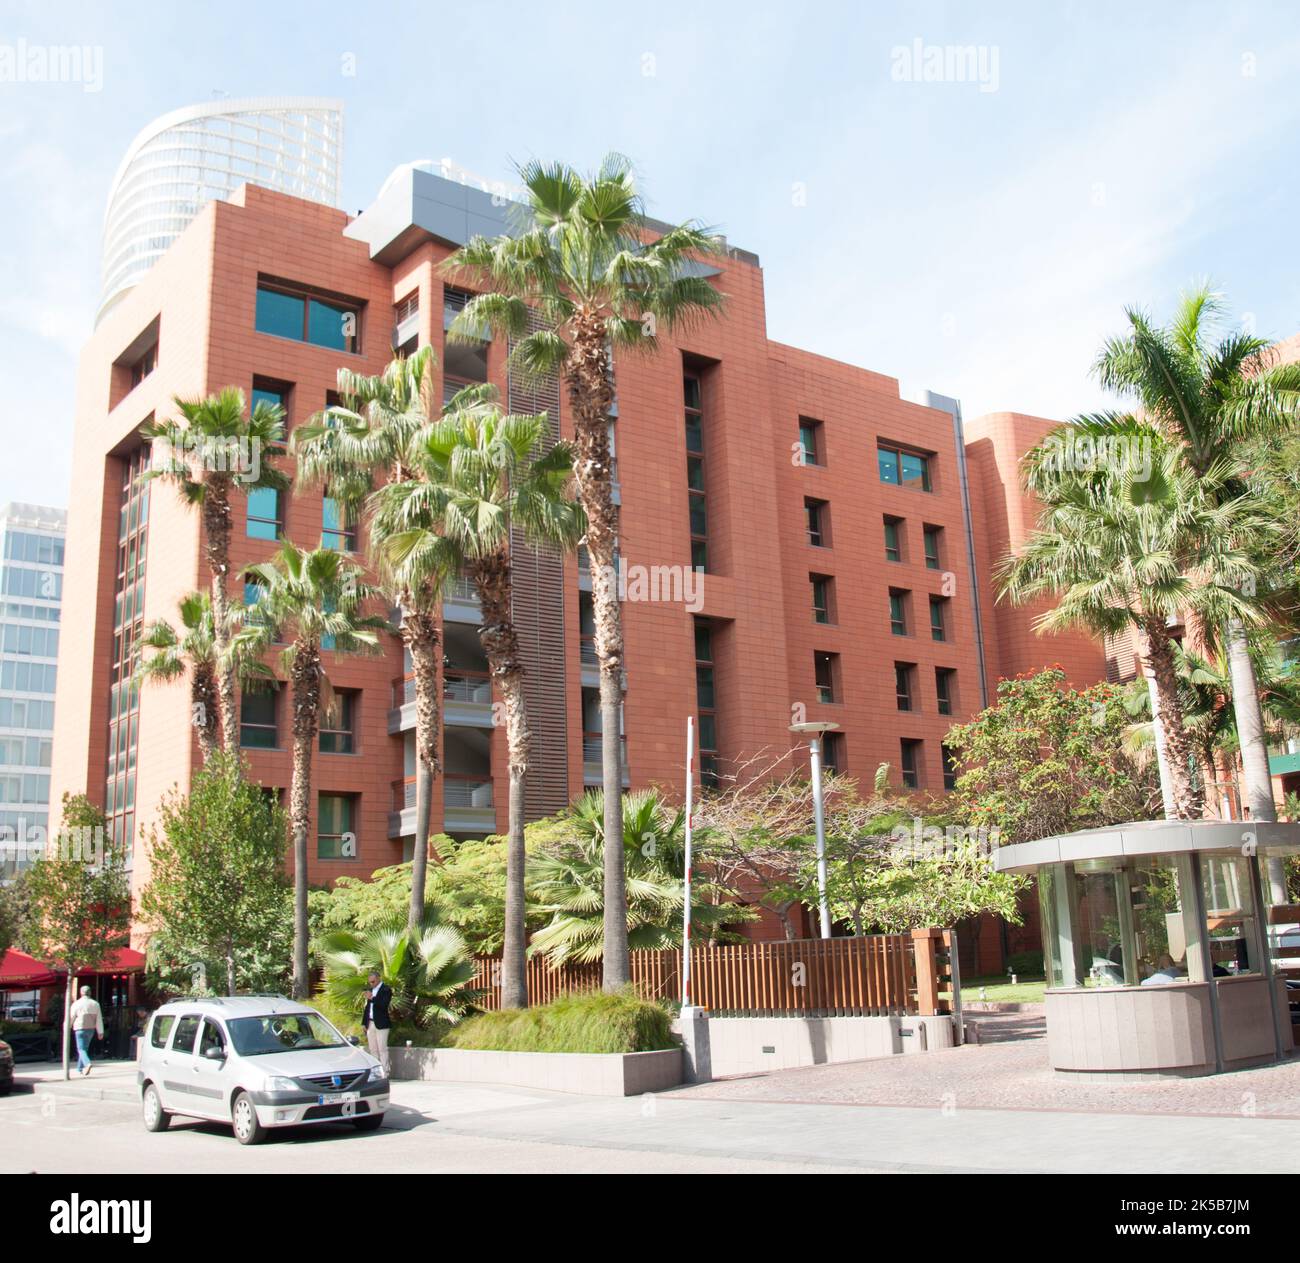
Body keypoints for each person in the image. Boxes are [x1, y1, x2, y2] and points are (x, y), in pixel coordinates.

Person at [69, 985, 104, 1075]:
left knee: (81, 1049)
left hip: (80, 1028)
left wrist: (68, 1026)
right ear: (90, 993)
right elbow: (99, 1019)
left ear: (81, 993)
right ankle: (79, 1069)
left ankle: (87, 1063)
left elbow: (71, 1017)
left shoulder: (76, 1004)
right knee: (84, 1049)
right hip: (91, 1029)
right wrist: (100, 1031)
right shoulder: (95, 1004)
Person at [361, 971, 391, 1075]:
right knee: (373, 1049)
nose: (371, 984)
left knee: (382, 1048)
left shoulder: (386, 989)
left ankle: (385, 1071)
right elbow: (367, 1008)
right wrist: (364, 1023)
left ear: (378, 979)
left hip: (381, 1023)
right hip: (370, 1023)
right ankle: (376, 1071)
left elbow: (383, 1005)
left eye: (373, 982)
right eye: (370, 982)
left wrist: (372, 998)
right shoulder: (371, 990)